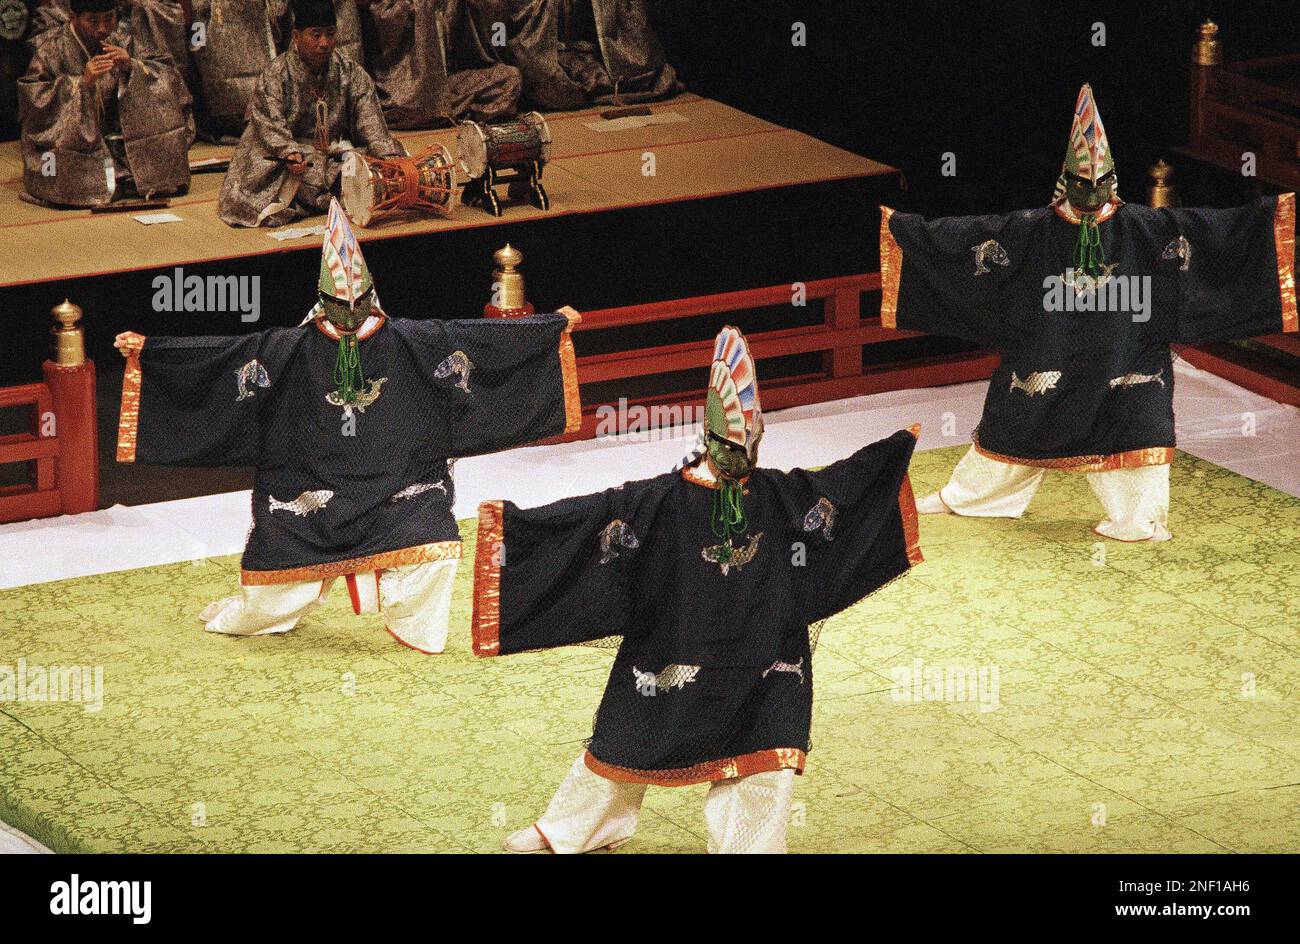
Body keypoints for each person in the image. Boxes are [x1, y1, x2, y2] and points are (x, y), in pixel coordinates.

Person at [473, 326, 923, 853]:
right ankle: (581, 828)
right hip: (674, 646)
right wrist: (516, 527)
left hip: (766, 654)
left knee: (763, 756)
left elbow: (838, 490)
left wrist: (891, 456)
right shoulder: (659, 502)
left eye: (751, 444)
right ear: (710, 439)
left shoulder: (778, 494)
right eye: (733, 446)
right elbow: (591, 523)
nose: (744, 456)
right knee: (628, 736)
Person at [114, 197, 582, 652]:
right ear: (323, 300)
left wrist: (550, 328)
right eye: (342, 304)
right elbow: (223, 359)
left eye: (358, 302)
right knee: (276, 592)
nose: (351, 313)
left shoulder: (410, 341)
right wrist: (148, 352)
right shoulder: (288, 349)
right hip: (309, 486)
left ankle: (415, 626)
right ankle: (259, 616)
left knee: (437, 551)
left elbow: (476, 342)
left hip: (400, 485)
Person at [881, 83, 1296, 541]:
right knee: (1016, 416)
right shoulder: (1031, 230)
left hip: (1126, 357)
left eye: (1099, 183)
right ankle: (975, 496)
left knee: (1136, 425)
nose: (1092, 192)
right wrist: (907, 233)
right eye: (1082, 184)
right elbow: (969, 242)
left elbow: (1214, 235)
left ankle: (1138, 519)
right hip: (1047, 348)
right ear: (1066, 179)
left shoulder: (1143, 228)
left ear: (1113, 180)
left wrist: (1268, 218)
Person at [217, 0, 402, 226]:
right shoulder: (275, 75)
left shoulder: (350, 73)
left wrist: (388, 157)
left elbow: (371, 122)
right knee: (275, 189)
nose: (324, 43)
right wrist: (289, 152)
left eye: (330, 34)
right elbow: (269, 124)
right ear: (296, 36)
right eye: (316, 35)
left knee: (376, 169)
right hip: (285, 161)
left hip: (333, 156)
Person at [18, 0, 191, 207]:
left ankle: (124, 175)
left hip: (119, 138)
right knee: (69, 181)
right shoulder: (51, 50)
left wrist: (133, 67)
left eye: (109, 18)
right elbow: (34, 102)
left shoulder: (124, 41)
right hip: (70, 144)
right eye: (93, 20)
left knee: (160, 168)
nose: (102, 28)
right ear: (73, 17)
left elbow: (169, 80)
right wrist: (80, 84)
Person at [359, 0, 520, 129]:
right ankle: (442, 115)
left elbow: (481, 44)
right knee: (413, 106)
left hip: (444, 89)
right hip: (401, 97)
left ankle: (441, 115)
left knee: (510, 79)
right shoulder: (384, 7)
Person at [507, 0, 682, 111]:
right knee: (548, 85)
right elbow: (518, 35)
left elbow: (632, 31)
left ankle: (599, 86)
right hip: (548, 53)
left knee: (641, 76)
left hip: (591, 53)